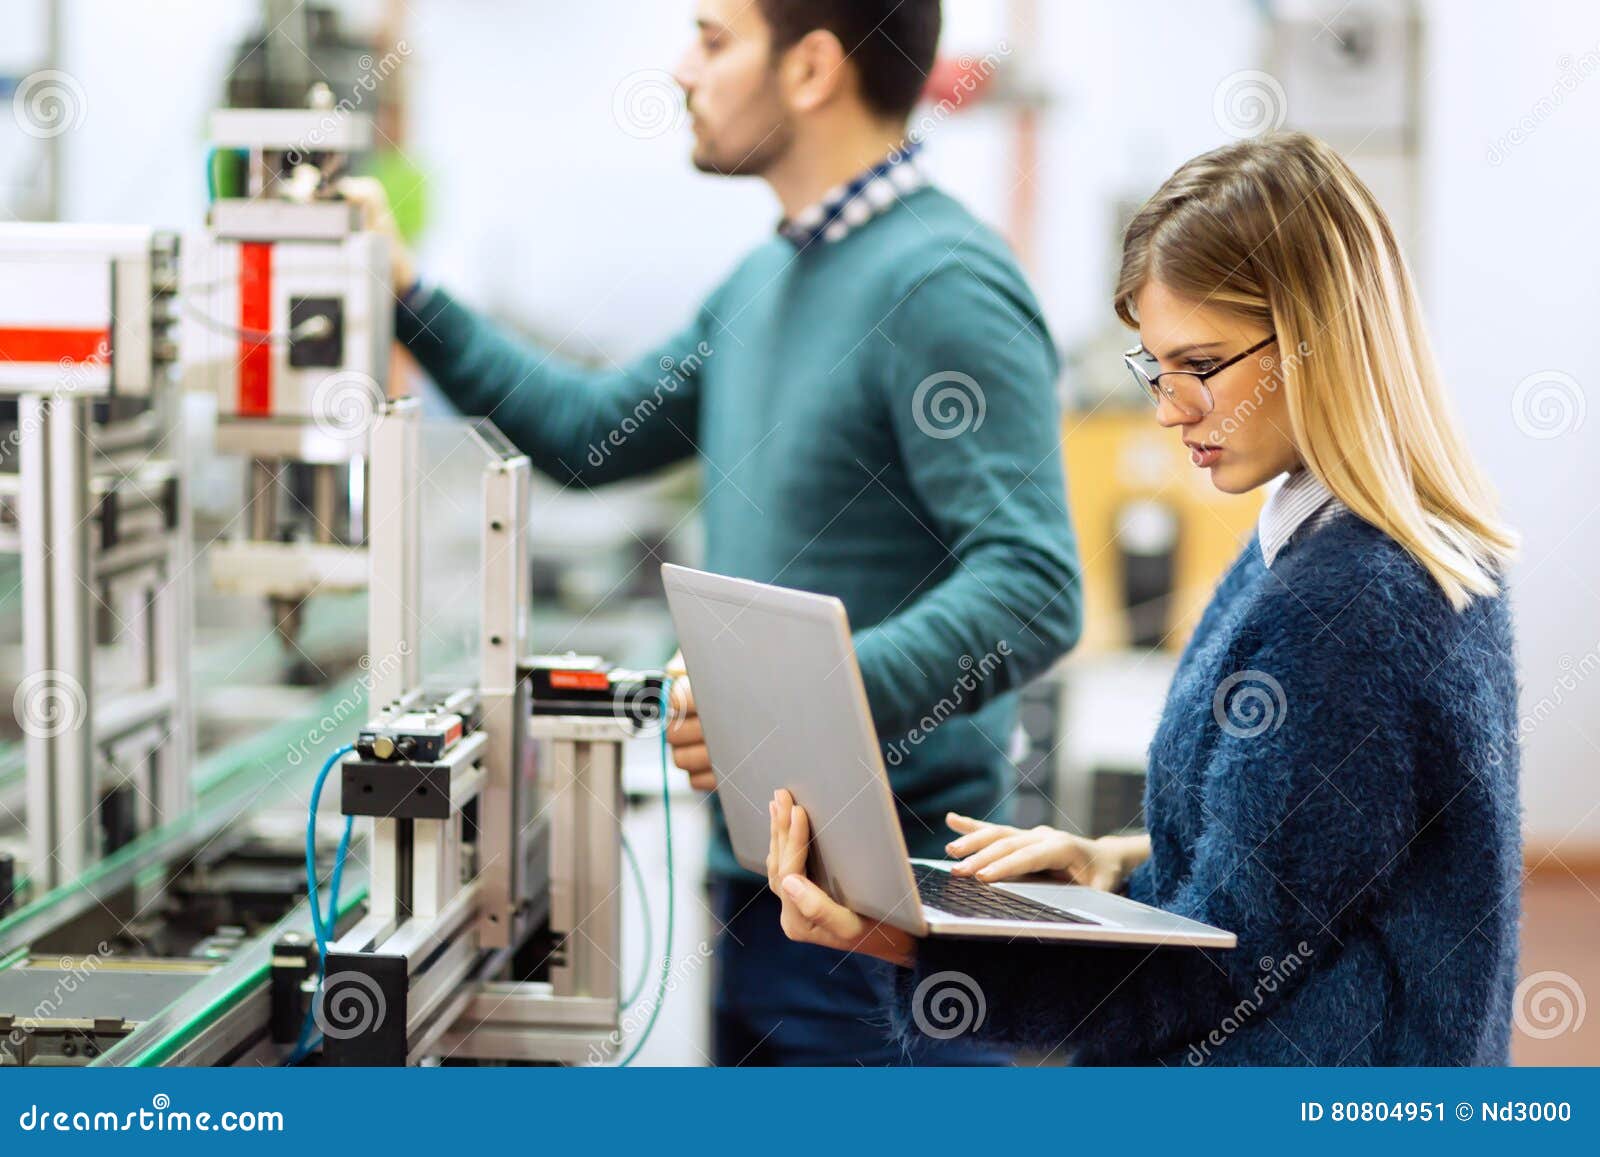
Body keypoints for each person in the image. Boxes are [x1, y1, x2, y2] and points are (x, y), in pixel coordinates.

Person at [343, 0, 1081, 1066]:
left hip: (888, 929)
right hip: (761, 890)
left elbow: (1032, 584)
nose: (684, 70)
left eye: (714, 38)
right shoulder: (766, 279)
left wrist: (783, 704)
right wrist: (405, 290)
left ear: (812, 68)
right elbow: (592, 436)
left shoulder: (941, 284)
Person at [765, 131, 1522, 1066]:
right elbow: (1311, 882)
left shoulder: (1347, 605)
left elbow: (1213, 976)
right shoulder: (1366, 547)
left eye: (1200, 365)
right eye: (1154, 367)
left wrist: (898, 941)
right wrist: (1113, 865)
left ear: (1319, 336)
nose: (1170, 408)